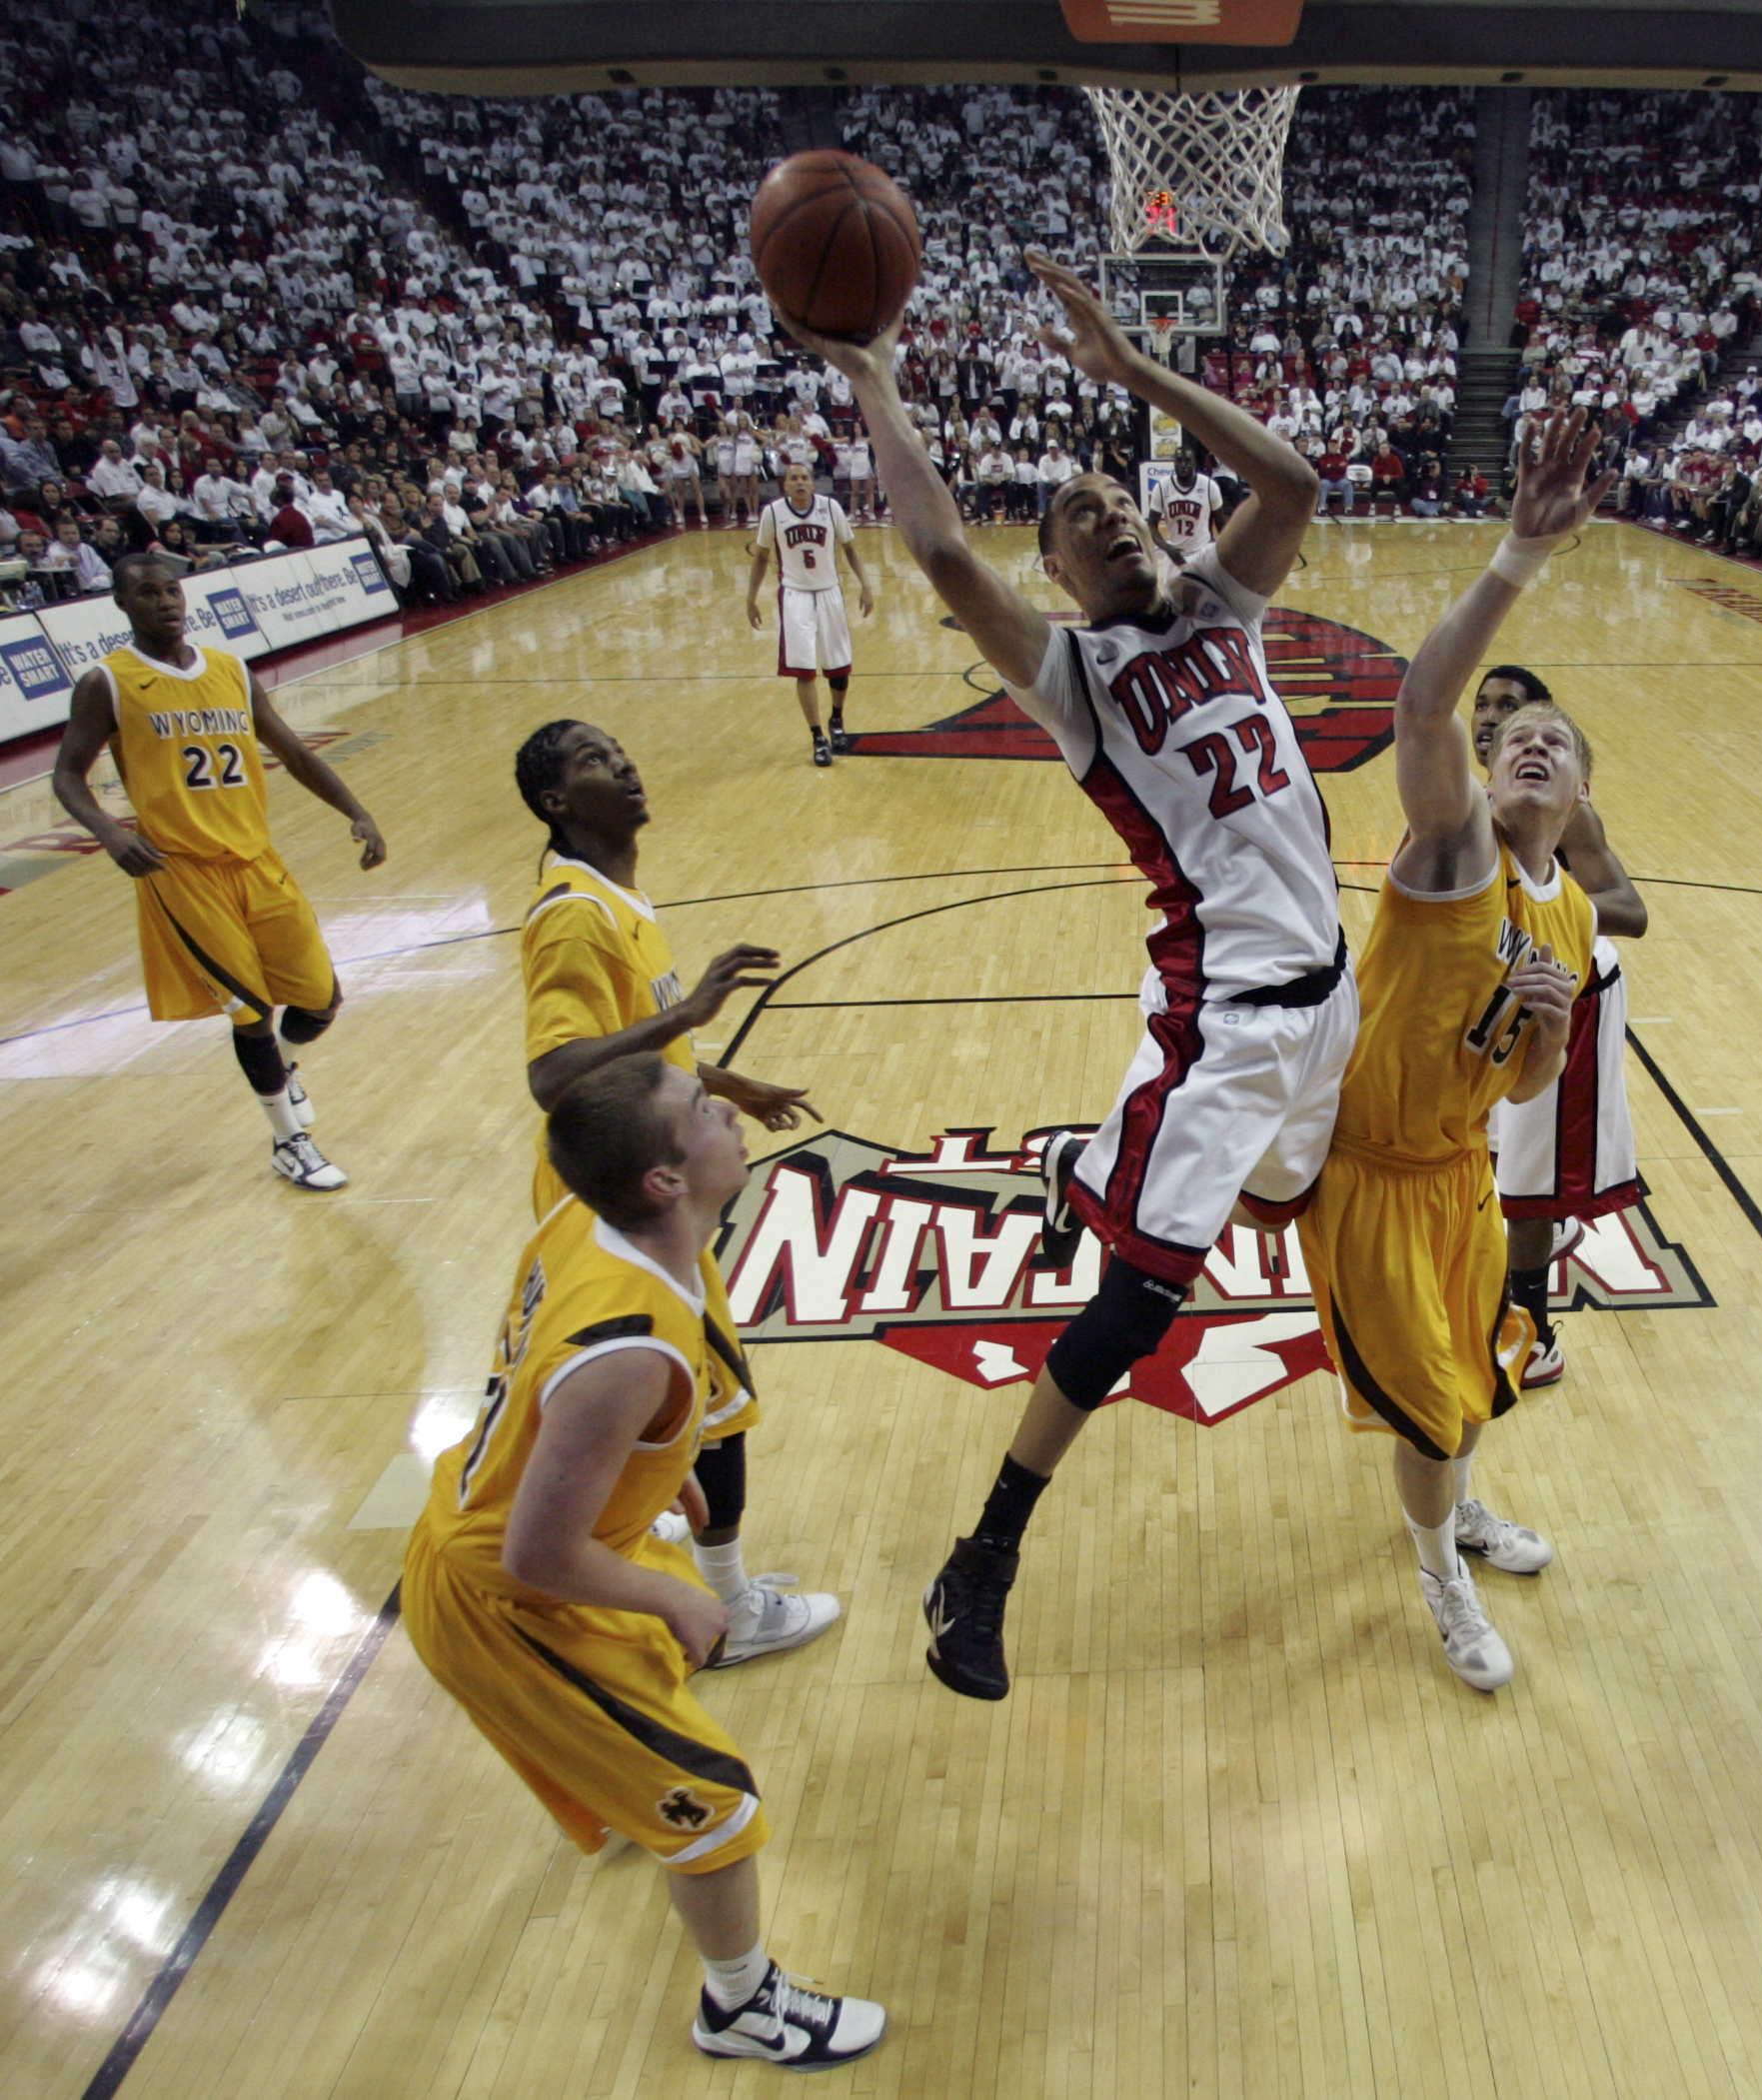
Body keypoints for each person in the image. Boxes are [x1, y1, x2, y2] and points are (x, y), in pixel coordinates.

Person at [789, 254, 1345, 1704]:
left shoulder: (1223, 600)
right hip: (1224, 1019)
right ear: (1065, 582)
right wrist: (874, 378)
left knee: (1313, 1206)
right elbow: (942, 558)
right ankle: (986, 1554)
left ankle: (1102, 1165)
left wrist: (1141, 376)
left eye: (1120, 501)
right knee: (1146, 1296)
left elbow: (1288, 486)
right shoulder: (1079, 678)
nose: (1111, 520)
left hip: (1332, 997)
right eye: (1081, 525)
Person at [402, 1055, 884, 2069]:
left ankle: (629, 1798)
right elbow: (540, 1549)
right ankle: (740, 2007)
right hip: (508, 1601)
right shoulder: (627, 1348)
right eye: (704, 1110)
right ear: (665, 1178)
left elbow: (543, 1397)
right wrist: (671, 1591)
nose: (726, 1111)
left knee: (653, 1729)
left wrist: (648, 1472)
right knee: (718, 1805)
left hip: (504, 1539)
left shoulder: (585, 1221)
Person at [1299, 417, 1610, 1688]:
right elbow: (1422, 702)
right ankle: (1441, 1580)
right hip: (1368, 1169)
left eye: (1559, 743)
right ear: (1484, 776)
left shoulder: (1574, 914)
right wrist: (1519, 556)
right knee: (1427, 1402)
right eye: (1513, 737)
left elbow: (1529, 1088)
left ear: (1583, 797)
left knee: (1474, 1382)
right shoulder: (1457, 854)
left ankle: (1457, 1513)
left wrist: (1549, 1031)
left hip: (1463, 1169)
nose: (1532, 741)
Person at [511, 719, 841, 1667]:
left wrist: (727, 1081)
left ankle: (645, 1565)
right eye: (591, 762)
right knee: (714, 1399)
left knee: (676, 1406)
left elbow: (639, 1048)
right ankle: (730, 1610)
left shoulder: (613, 890)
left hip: (631, 1180)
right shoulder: (572, 913)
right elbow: (554, 1073)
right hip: (621, 1199)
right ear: (555, 802)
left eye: (620, 748)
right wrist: (691, 1011)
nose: (623, 762)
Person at [50, 554, 384, 1189]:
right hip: (181, 870)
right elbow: (68, 774)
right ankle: (291, 1142)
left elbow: (288, 747)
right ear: (121, 604)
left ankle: (282, 1072)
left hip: (255, 858)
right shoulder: (108, 682)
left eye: (172, 590)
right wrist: (109, 835)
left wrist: (357, 809)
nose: (165, 602)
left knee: (321, 1000)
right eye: (147, 593)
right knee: (250, 1010)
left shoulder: (229, 668)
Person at [1473, 664, 1649, 1389]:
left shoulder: (1566, 812)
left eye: (1508, 707)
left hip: (1569, 991)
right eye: (1484, 706)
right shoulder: (1480, 801)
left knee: (1529, 1175)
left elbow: (1633, 911)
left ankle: (1536, 1334)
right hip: (1503, 984)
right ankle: (1525, 1253)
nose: (1489, 717)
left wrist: (1547, 905)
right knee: (1492, 1148)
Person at [746, 460, 874, 767]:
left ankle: (837, 720)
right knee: (803, 669)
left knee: (839, 666)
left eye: (804, 477)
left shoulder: (830, 508)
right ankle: (817, 736)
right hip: (794, 595)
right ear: (785, 484)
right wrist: (751, 598)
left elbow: (851, 548)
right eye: (794, 478)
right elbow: (761, 557)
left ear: (813, 483)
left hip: (830, 591)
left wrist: (866, 585)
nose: (800, 482)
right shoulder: (773, 513)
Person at [1145, 449, 1223, 565]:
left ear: (1195, 463)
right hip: (1174, 555)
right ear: (1174, 463)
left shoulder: (1209, 486)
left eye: (1187, 461)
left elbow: (1221, 524)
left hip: (1202, 552)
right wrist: (1167, 548)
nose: (1183, 465)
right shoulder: (1162, 487)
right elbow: (1151, 525)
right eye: (1179, 461)